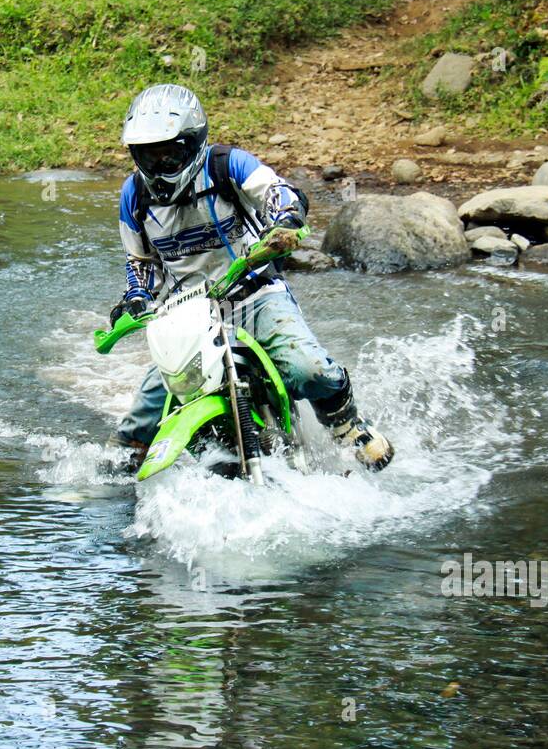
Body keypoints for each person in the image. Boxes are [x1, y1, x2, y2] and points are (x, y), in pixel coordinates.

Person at [108, 84, 394, 473]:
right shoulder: (134, 195)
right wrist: (136, 297)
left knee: (308, 369)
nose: (159, 165)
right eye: (148, 155)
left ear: (192, 144)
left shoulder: (227, 165)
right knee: (144, 414)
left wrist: (286, 222)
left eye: (169, 153)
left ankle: (346, 424)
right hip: (187, 315)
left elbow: (279, 192)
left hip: (255, 293)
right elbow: (140, 260)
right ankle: (119, 477)